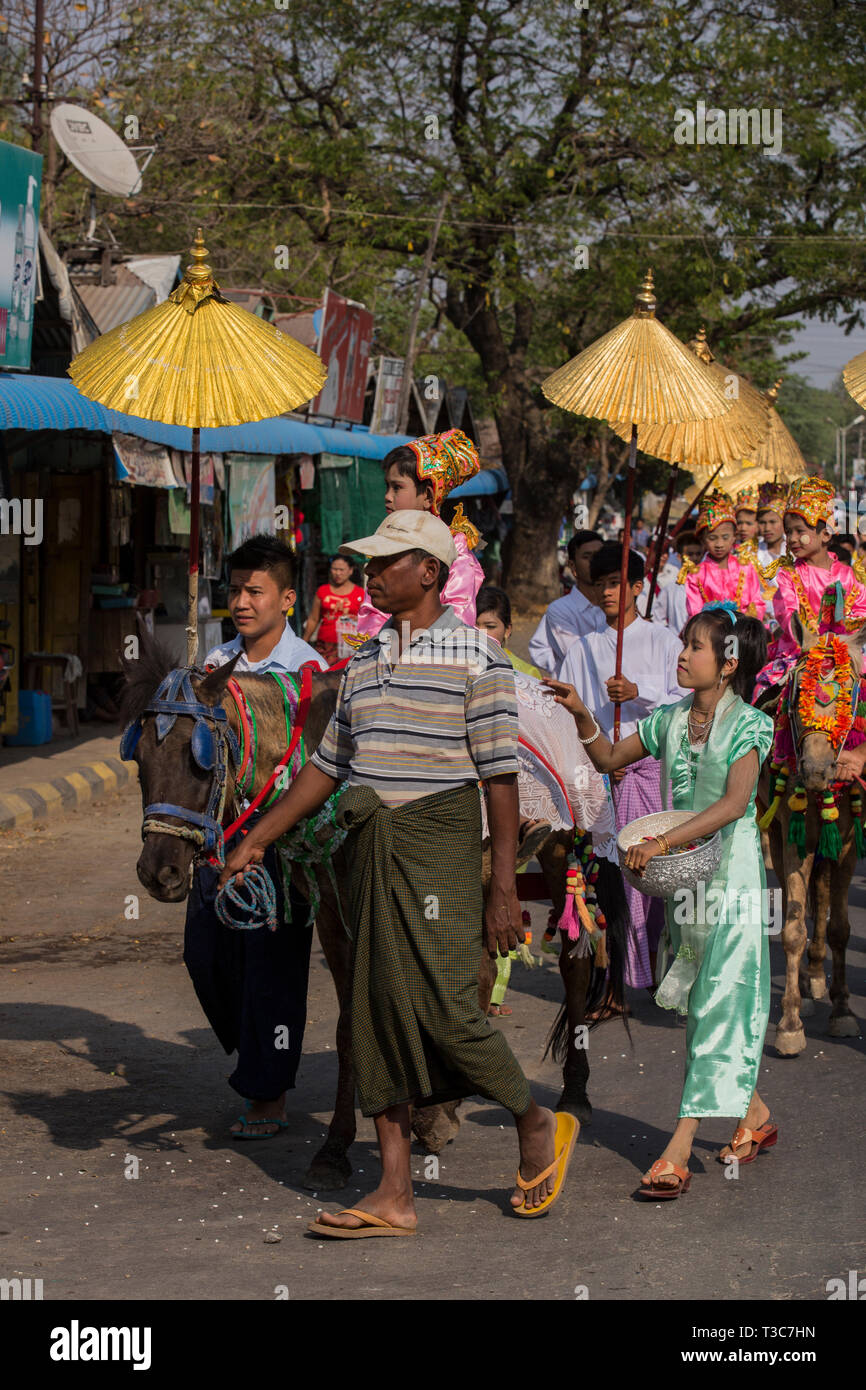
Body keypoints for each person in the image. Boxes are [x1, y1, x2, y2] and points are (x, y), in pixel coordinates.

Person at [220, 511, 578, 1234]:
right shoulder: (362, 657)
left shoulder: (480, 658)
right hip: (366, 842)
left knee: (447, 1009)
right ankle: (394, 1191)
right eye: (370, 564)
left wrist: (504, 887)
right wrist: (256, 838)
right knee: (372, 1011)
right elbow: (327, 766)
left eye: (387, 564)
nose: (371, 574)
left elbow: (500, 779)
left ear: (430, 573)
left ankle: (535, 1119)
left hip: (440, 841)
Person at [546, 604, 776, 1198]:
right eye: (683, 643)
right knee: (705, 998)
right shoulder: (669, 719)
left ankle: (678, 1146)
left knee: (724, 994)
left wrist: (660, 839)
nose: (681, 655)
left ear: (726, 666)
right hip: (683, 875)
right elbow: (607, 759)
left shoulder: (750, 724)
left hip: (732, 874)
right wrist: (579, 713)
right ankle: (753, 1115)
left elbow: (732, 805)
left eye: (695, 647)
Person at [185, 534, 328, 1139]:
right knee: (205, 956)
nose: (241, 602)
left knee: (273, 965)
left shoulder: (309, 672)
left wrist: (266, 834)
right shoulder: (213, 666)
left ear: (287, 598)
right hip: (217, 842)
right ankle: (253, 1048)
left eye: (254, 591)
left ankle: (267, 1091)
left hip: (283, 844)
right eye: (234, 590)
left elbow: (318, 763)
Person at [558, 543, 686, 1001]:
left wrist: (639, 691)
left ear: (637, 587)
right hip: (600, 775)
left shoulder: (664, 642)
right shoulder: (584, 649)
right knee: (602, 882)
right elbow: (567, 713)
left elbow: (685, 706)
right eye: (599, 584)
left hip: (651, 775)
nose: (607, 592)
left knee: (654, 878)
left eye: (616, 583)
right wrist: (598, 756)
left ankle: (661, 974)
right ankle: (609, 986)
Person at [354, 428, 485, 638]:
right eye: (387, 487)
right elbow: (372, 612)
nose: (387, 496)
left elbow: (457, 618)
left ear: (428, 495)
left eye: (397, 488)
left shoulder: (454, 551)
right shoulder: (384, 540)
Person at [755, 476, 866, 690]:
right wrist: (808, 640)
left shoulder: (848, 575)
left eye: (800, 531)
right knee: (763, 692)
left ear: (825, 534)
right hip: (799, 653)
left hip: (843, 654)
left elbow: (860, 612)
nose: (793, 538)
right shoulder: (789, 575)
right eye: (789, 532)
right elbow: (787, 612)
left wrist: (839, 642)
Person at [527, 529, 604, 676]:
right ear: (573, 567)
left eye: (600, 556)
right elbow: (581, 656)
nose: (596, 563)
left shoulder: (616, 605)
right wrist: (558, 666)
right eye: (587, 557)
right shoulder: (560, 610)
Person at [684, 489, 763, 619]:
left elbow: (757, 603)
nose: (719, 544)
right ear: (703, 540)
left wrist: (749, 620)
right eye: (712, 538)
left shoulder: (746, 567)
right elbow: (695, 613)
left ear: (734, 537)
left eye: (725, 537)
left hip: (744, 633)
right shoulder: (696, 574)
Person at [302, 555, 364, 665]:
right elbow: (313, 619)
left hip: (349, 646)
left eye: (341, 570)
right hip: (324, 645)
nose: (338, 573)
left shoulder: (360, 593)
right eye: (334, 569)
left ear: (350, 571)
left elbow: (366, 622)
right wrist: (303, 642)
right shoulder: (322, 591)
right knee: (322, 676)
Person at [652, 530, 703, 635]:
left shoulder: (708, 586)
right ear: (679, 557)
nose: (695, 558)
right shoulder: (671, 589)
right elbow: (657, 618)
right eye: (690, 554)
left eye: (698, 554)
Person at [734, 483, 760, 549]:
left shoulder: (765, 550)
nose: (743, 528)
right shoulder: (729, 550)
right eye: (739, 523)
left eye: (749, 523)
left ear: (758, 524)